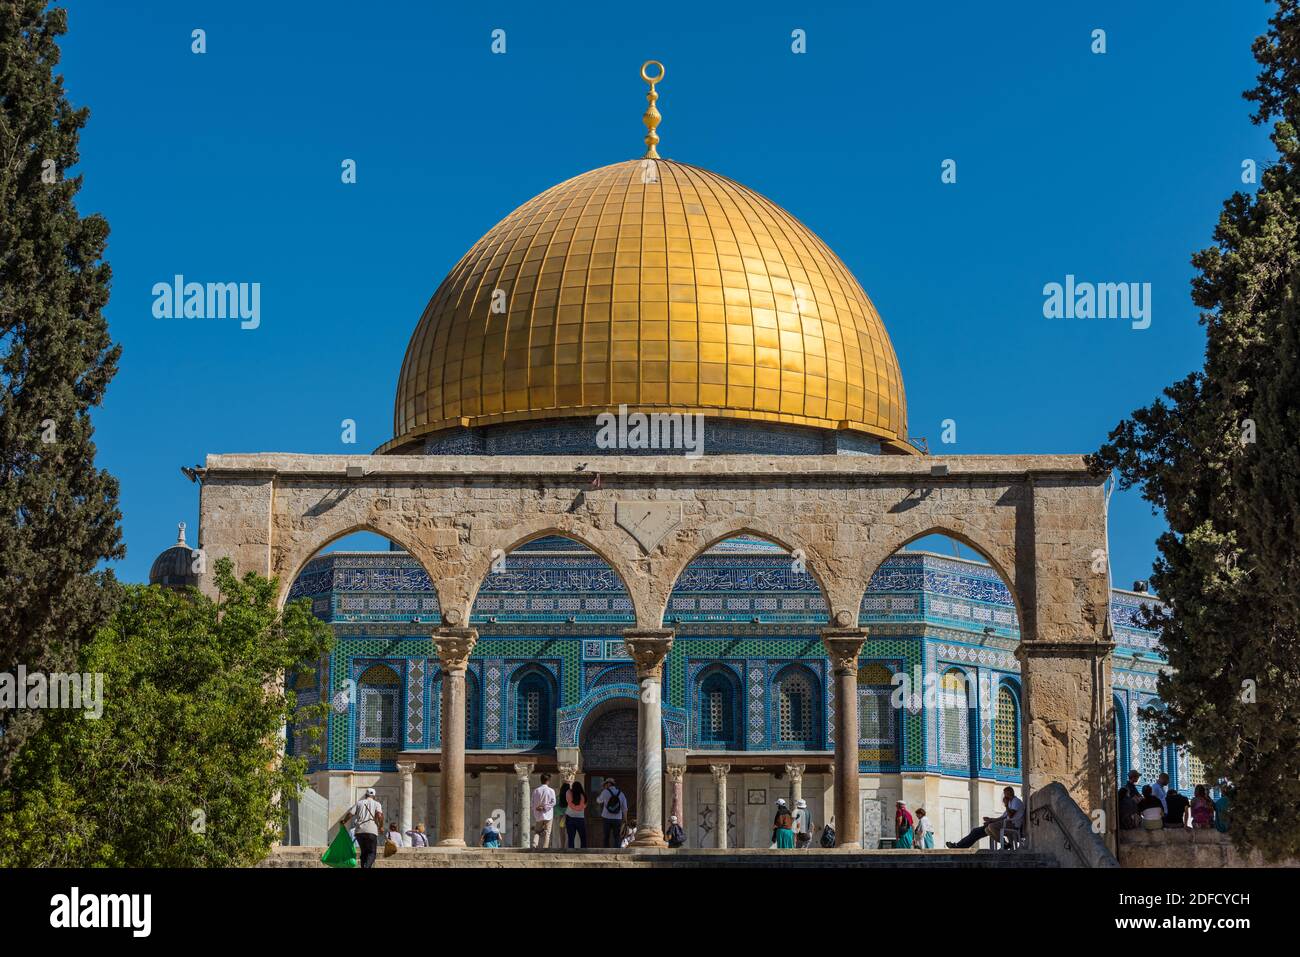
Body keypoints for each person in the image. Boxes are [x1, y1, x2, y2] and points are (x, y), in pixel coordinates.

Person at [946, 786, 1024, 849]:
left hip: (1013, 824)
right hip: (1005, 823)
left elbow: (1010, 816)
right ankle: (959, 845)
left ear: (1010, 792)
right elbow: (1003, 817)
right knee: (982, 830)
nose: (1004, 796)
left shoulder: (1016, 801)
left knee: (989, 827)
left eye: (1005, 793)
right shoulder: (1011, 802)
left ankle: (1005, 844)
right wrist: (990, 820)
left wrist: (1006, 805)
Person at [341, 787, 384, 869]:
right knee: (372, 853)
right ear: (374, 796)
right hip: (371, 830)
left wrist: (344, 821)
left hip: (359, 831)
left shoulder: (359, 803)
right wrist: (381, 826)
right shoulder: (377, 804)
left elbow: (350, 814)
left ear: (365, 795)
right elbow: (379, 815)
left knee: (364, 852)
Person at [597, 778, 626, 848]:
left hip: (606, 817)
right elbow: (625, 808)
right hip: (617, 818)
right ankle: (617, 850)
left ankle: (606, 850)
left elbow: (598, 801)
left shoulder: (605, 792)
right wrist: (625, 819)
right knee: (617, 836)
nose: (605, 786)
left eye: (605, 785)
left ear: (608, 784)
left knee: (606, 835)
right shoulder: (621, 793)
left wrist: (602, 793)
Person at [531, 772, 557, 849]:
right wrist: (545, 808)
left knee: (537, 831)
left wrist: (536, 809)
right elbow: (553, 802)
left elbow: (532, 802)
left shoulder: (536, 790)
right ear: (548, 781)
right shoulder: (551, 790)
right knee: (547, 832)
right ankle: (545, 848)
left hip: (538, 815)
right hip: (548, 814)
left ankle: (534, 844)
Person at [564, 780, 588, 848]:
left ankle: (571, 853)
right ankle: (583, 852)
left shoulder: (569, 793)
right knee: (583, 838)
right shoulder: (583, 795)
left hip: (570, 817)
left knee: (571, 838)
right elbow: (585, 806)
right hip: (580, 818)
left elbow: (568, 802)